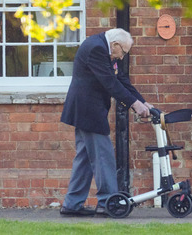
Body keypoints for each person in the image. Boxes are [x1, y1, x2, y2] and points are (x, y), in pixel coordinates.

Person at [60, 28, 153, 216]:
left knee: (85, 158)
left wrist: (142, 102)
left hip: (86, 110)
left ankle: (72, 204)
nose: (122, 57)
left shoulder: (104, 48)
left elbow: (122, 81)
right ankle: (107, 202)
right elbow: (110, 83)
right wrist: (134, 104)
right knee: (104, 157)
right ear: (115, 45)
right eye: (123, 52)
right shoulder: (96, 49)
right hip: (88, 111)